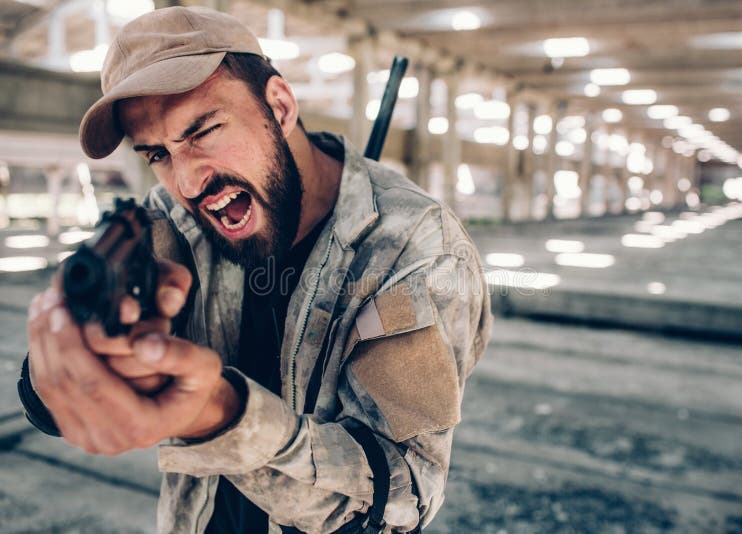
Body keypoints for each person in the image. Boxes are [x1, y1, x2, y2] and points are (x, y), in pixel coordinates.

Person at [18, 6, 492, 534]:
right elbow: (53, 392)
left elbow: (402, 496)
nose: (189, 181)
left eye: (203, 131)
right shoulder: (171, 221)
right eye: (158, 154)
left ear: (280, 106)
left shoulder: (415, 249)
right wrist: (70, 355)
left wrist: (221, 415)